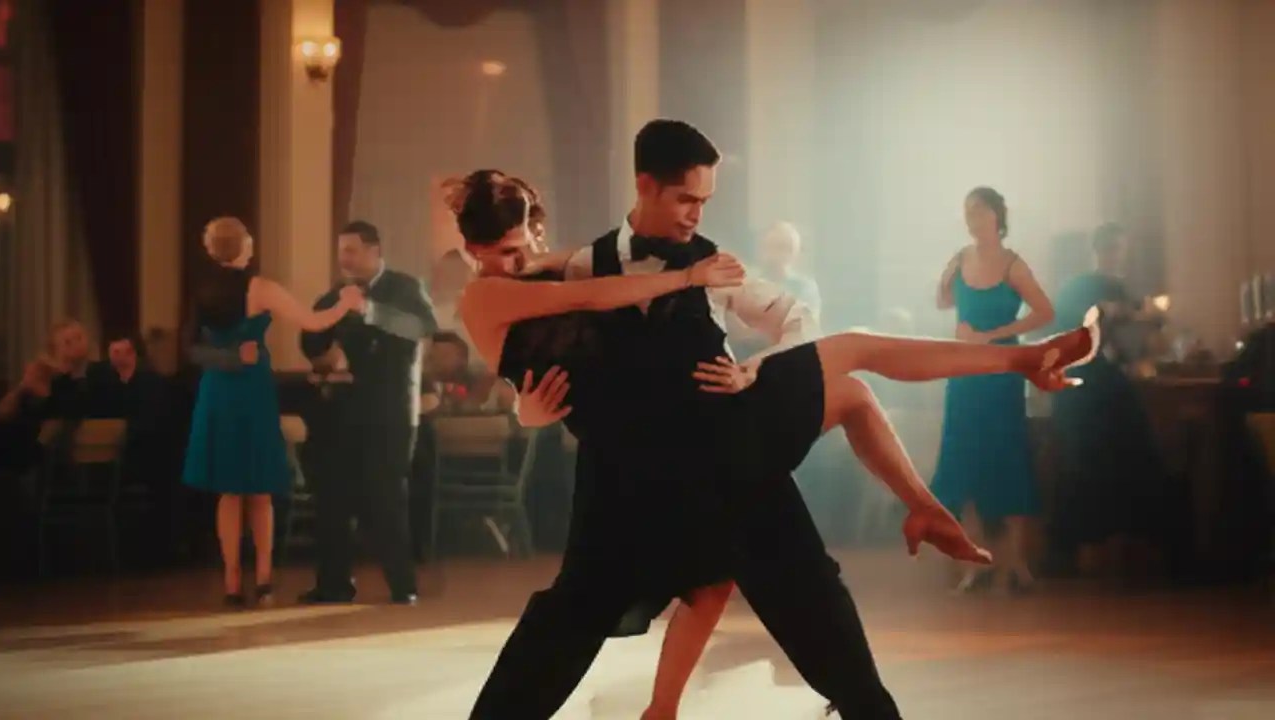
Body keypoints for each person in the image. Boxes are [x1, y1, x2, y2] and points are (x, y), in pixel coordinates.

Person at [449, 150, 1096, 717]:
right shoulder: (486, 298)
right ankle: (1010, 379)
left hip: (696, 421)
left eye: (527, 244)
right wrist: (685, 280)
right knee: (612, 603)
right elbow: (586, 303)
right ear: (474, 252)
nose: (521, 260)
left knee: (850, 373)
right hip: (647, 452)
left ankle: (1020, 365)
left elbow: (595, 294)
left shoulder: (566, 265)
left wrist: (740, 347)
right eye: (505, 253)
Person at [182, 217, 364, 607]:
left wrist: (228, 357)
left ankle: (232, 581)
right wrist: (346, 303)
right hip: (250, 389)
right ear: (244, 245)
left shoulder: (202, 290)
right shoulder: (260, 288)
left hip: (217, 389)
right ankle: (263, 578)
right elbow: (313, 321)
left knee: (229, 490)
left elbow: (191, 350)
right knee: (259, 488)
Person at [932, 187, 1064, 595]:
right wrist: (944, 280)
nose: (972, 219)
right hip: (964, 371)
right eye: (967, 212)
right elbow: (942, 302)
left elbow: (1045, 312)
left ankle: (1016, 562)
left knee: (1007, 456)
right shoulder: (960, 258)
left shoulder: (1012, 264)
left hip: (1002, 371)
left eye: (979, 211)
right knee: (964, 458)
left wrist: (995, 334)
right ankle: (977, 562)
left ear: (996, 216)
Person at [298, 220, 437, 606]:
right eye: (341, 251)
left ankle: (403, 586)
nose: (344, 259)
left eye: (352, 250)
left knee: (386, 497)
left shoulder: (404, 287)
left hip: (390, 411)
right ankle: (333, 585)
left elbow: (421, 326)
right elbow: (310, 340)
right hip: (341, 410)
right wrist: (325, 350)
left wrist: (368, 309)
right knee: (333, 497)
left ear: (375, 251)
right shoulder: (334, 295)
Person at [1049, 223, 1167, 580]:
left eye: (1120, 249)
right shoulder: (1077, 288)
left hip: (1109, 386)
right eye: (1111, 248)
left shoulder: (1121, 290)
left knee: (1130, 457)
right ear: (1098, 250)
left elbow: (1137, 336)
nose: (1116, 255)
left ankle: (1129, 546)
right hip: (1084, 390)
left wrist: (1144, 323)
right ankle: (1079, 550)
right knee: (1088, 463)